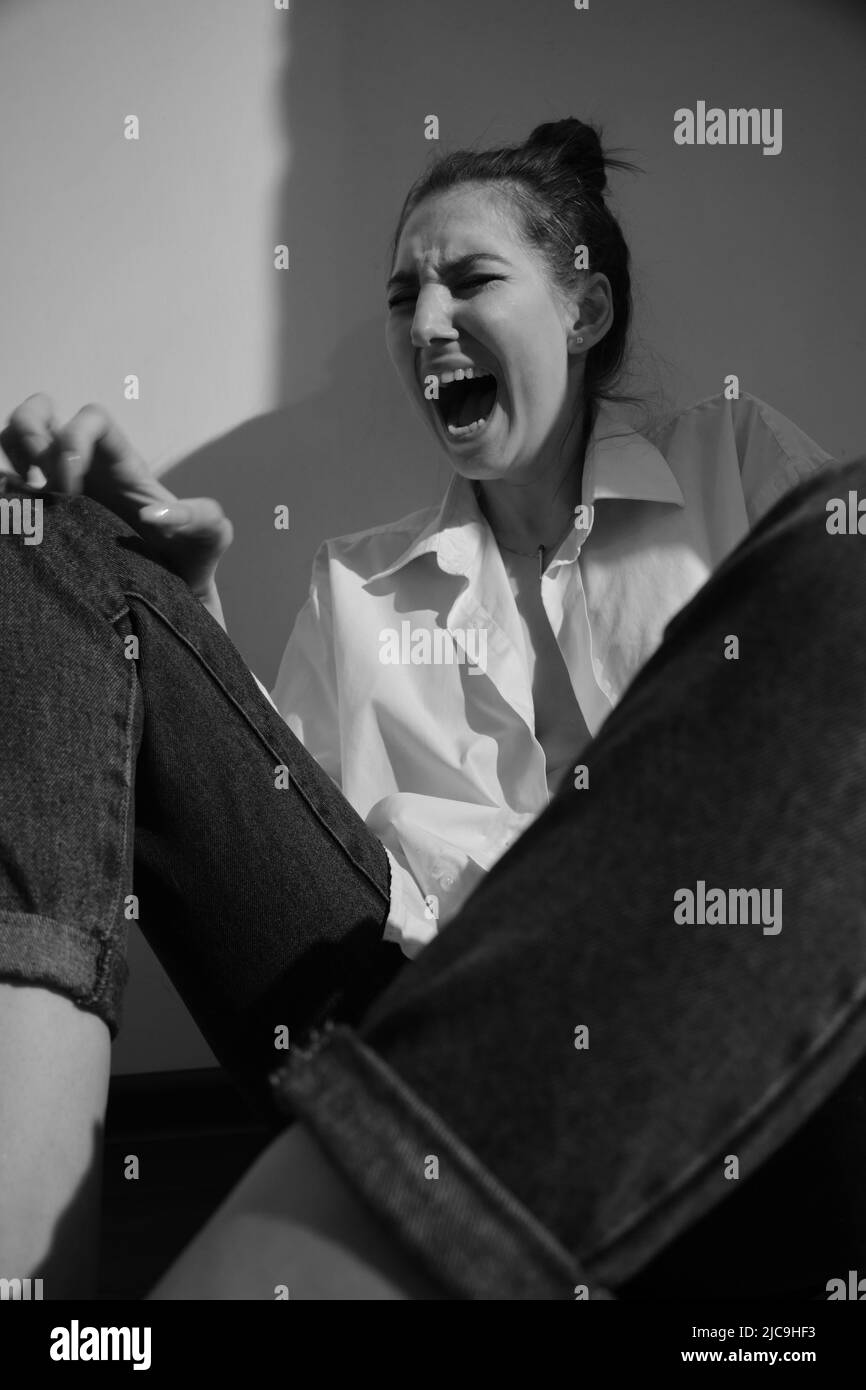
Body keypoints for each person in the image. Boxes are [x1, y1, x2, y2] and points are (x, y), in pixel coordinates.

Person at [0, 118, 861, 1301]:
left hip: (691, 1026)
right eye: (404, 293)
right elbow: (294, 844)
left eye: (469, 279)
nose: (423, 322)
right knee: (47, 544)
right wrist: (180, 627)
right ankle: (25, 1295)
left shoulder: (736, 456)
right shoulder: (351, 585)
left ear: (585, 309)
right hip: (401, 1025)